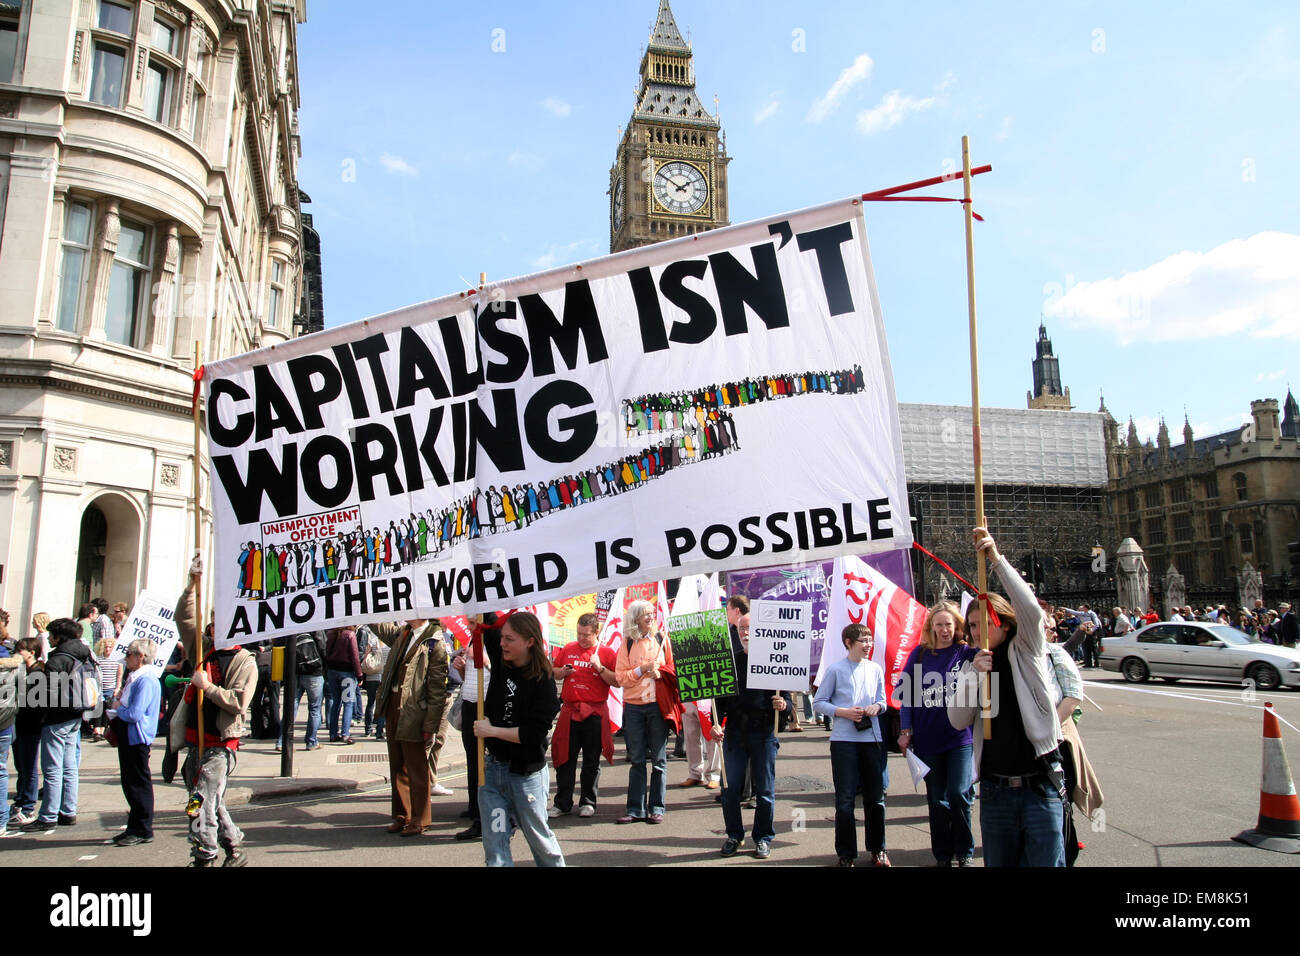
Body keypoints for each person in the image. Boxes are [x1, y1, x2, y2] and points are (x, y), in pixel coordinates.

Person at [949, 527, 1066, 868]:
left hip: (1038, 785)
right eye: (971, 626)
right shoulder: (973, 665)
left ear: (1003, 622)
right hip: (996, 792)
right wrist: (974, 675)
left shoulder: (1025, 648)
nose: (977, 630)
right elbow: (957, 720)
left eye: (984, 621)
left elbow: (1029, 609)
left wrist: (996, 560)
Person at [175, 558, 258, 867]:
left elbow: (238, 702)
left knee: (200, 802)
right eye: (212, 619)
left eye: (219, 619)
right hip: (196, 740)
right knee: (212, 800)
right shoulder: (205, 648)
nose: (213, 624)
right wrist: (192, 585)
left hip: (219, 746)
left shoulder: (244, 661)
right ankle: (234, 848)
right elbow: (184, 621)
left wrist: (206, 686)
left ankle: (204, 855)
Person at [473, 611, 564, 866]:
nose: (502, 644)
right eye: (502, 638)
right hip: (492, 774)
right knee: (495, 843)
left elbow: (533, 735)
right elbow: (487, 617)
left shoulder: (544, 681)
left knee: (540, 841)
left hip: (525, 776)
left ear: (529, 641)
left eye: (510, 639)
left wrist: (491, 731)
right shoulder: (502, 662)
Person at [898, 602, 978, 867]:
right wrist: (905, 729)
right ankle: (943, 854)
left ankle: (964, 850)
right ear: (931, 627)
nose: (944, 630)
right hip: (928, 738)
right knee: (937, 800)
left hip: (959, 737)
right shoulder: (920, 655)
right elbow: (905, 694)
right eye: (939, 624)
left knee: (959, 793)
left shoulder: (965, 652)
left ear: (957, 627)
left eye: (949, 625)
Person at [717, 610, 791, 860]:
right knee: (730, 790)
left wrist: (784, 706)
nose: (746, 634)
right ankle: (734, 836)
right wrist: (715, 725)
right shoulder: (731, 661)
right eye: (741, 630)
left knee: (765, 791)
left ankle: (763, 838)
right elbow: (719, 703)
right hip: (735, 734)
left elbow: (788, 703)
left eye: (750, 629)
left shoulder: (775, 660)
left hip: (764, 733)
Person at [814, 622, 889, 866]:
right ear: (848, 643)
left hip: (871, 739)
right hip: (844, 741)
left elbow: (882, 700)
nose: (868, 646)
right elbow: (819, 702)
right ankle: (846, 853)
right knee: (845, 799)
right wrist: (843, 712)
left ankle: (878, 848)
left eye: (869, 641)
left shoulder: (875, 669)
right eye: (862, 641)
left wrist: (876, 707)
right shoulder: (836, 670)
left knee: (875, 797)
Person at [370, 617, 448, 837]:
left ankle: (420, 819)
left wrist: (430, 724)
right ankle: (401, 815)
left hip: (415, 711)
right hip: (394, 705)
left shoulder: (434, 641)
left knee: (416, 768)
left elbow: (436, 689)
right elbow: (377, 624)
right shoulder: (402, 633)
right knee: (397, 764)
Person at [549, 612, 617, 819]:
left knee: (591, 760)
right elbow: (554, 670)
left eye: (586, 635)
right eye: (578, 634)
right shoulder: (569, 649)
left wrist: (600, 667)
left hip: (594, 713)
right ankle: (562, 802)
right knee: (564, 759)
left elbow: (617, 681)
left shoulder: (606, 653)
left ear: (596, 632)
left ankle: (588, 801)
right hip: (570, 711)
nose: (581, 639)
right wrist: (562, 672)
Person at [28, 617, 92, 832]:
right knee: (70, 765)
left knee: (52, 767)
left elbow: (48, 693)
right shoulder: (85, 653)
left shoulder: (58, 659)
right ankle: (68, 810)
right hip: (77, 712)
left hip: (57, 716)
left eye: (52, 635)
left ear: (58, 636)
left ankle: (48, 815)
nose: (50, 639)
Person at [615, 599, 674, 824]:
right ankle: (635, 809)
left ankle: (657, 807)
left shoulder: (663, 639)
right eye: (646, 614)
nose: (651, 617)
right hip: (634, 708)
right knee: (637, 759)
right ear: (636, 618)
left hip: (657, 706)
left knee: (659, 759)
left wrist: (661, 675)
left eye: (652, 613)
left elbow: (672, 670)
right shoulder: (627, 643)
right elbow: (620, 677)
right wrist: (641, 670)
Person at [108, 638, 161, 846]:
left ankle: (142, 829)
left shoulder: (146, 679)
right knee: (130, 782)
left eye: (129, 654)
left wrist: (117, 707)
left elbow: (135, 714)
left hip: (136, 736)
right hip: (130, 735)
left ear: (141, 656)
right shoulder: (136, 677)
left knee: (138, 784)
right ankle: (134, 826)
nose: (126, 658)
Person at [10, 637, 44, 828]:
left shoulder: (38, 672)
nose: (18, 652)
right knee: (21, 765)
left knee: (28, 766)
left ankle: (28, 806)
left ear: (32, 652)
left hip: (30, 725)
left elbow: (34, 701)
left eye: (21, 650)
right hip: (19, 723)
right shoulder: (22, 671)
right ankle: (22, 799)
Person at [277, 630, 326, 752]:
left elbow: (279, 646)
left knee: (291, 707)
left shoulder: (290, 626)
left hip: (295, 671)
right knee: (315, 708)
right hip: (314, 671)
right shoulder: (315, 624)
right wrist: (323, 665)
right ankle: (311, 741)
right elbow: (322, 644)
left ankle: (282, 742)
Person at [324, 626, 362, 744]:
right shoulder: (350, 635)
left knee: (336, 702)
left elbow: (325, 652)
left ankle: (333, 733)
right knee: (348, 703)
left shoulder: (330, 633)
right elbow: (355, 656)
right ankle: (345, 734)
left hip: (332, 671)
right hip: (346, 672)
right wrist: (359, 674)